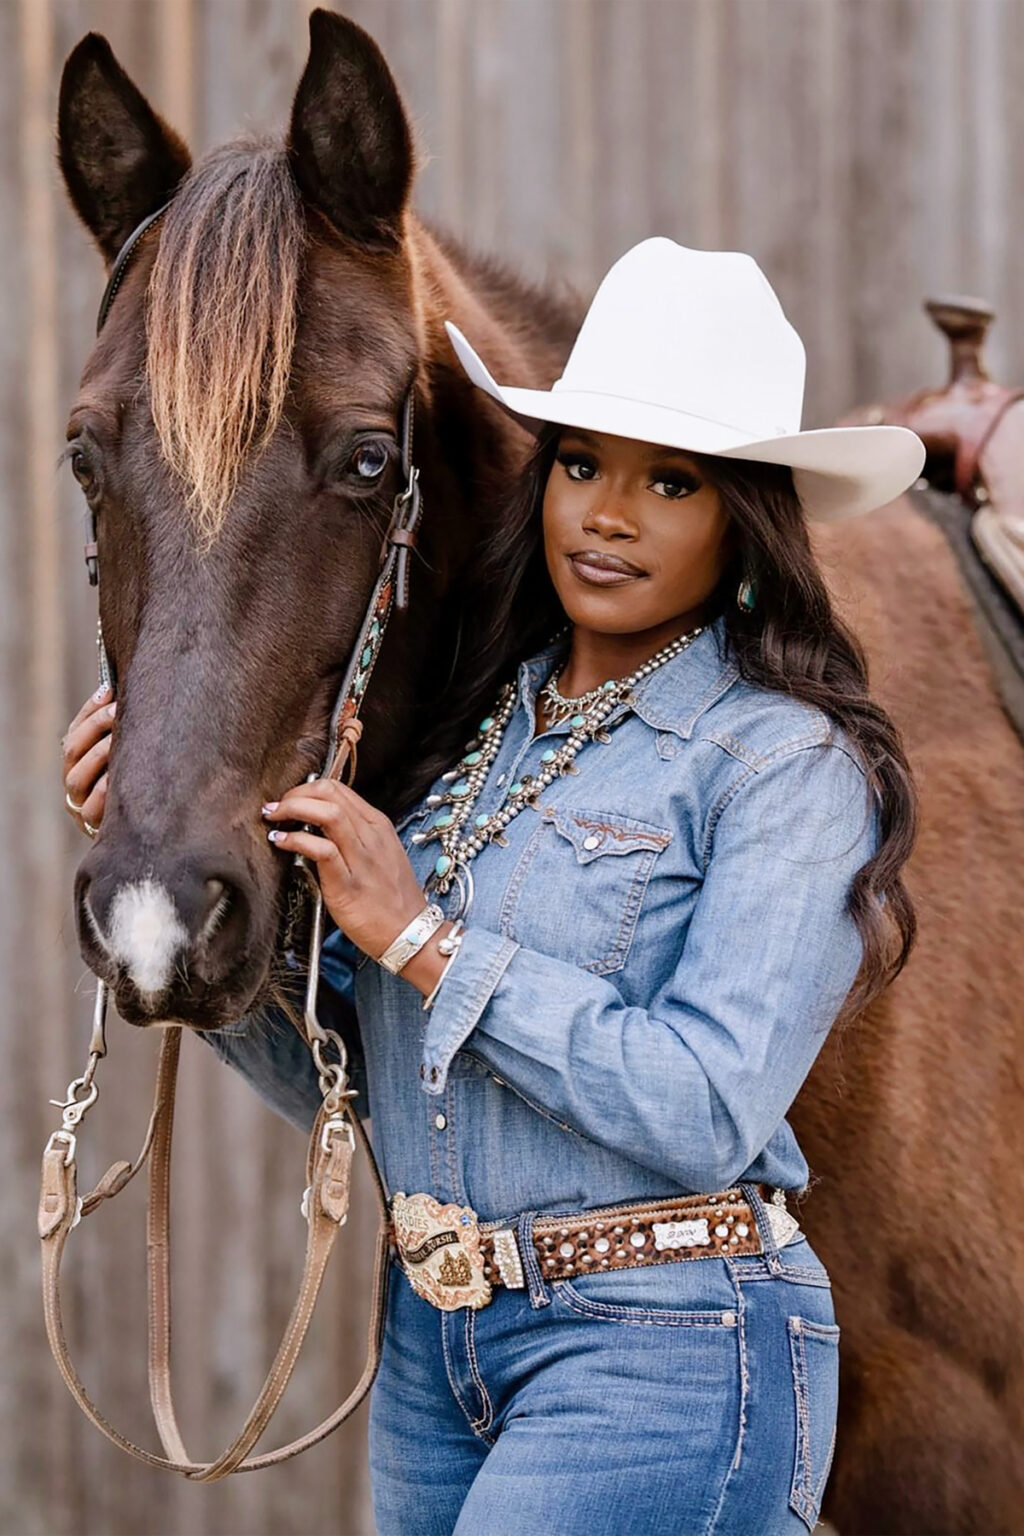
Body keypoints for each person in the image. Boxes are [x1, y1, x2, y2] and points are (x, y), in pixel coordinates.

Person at [61, 238, 925, 1535]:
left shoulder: (785, 765)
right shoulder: (484, 742)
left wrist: (422, 937)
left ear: (744, 520)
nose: (609, 514)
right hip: (438, 1349)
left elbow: (706, 1104)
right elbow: (370, 1090)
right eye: (582, 464)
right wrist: (195, 939)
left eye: (671, 482)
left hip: (661, 1347)